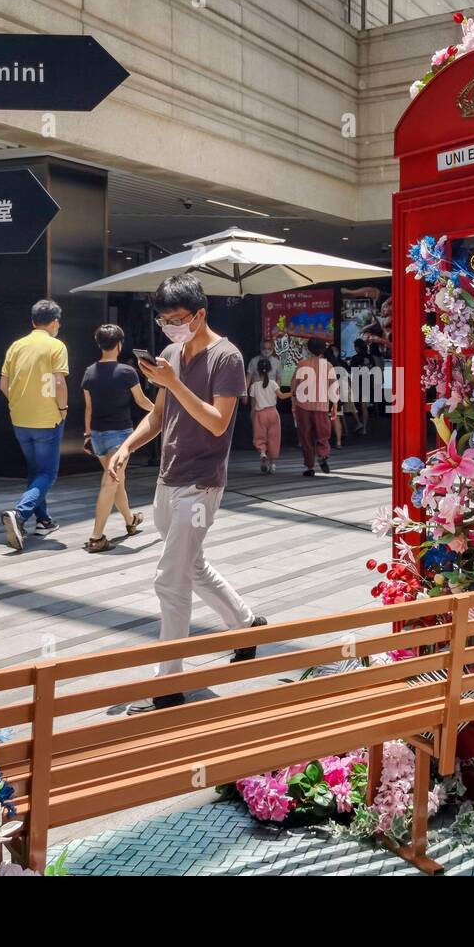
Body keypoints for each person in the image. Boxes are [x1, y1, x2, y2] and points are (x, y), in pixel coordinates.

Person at [107, 274, 265, 704]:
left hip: (201, 483)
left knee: (170, 579)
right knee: (191, 566)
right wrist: (126, 445)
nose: (171, 328)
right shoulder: (170, 354)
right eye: (163, 321)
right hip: (167, 477)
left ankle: (168, 679)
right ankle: (247, 624)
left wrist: (173, 382)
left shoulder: (227, 358)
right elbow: (159, 417)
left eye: (177, 319)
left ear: (200, 313)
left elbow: (218, 422)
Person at [0, 299, 69, 550]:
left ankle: (44, 521)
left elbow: (3, 386)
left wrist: (19, 403)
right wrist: (62, 409)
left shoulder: (16, 346)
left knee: (35, 470)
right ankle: (19, 514)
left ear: (32, 321)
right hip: (47, 418)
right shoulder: (56, 346)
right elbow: (59, 383)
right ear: (54, 322)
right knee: (47, 473)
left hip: (20, 418)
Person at [81, 323, 151, 552]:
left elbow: (88, 408)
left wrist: (87, 435)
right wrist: (160, 411)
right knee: (110, 482)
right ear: (119, 345)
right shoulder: (126, 372)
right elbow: (141, 401)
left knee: (115, 480)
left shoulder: (89, 371)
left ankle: (131, 521)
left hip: (98, 436)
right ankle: (96, 537)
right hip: (120, 436)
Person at [291, 338, 338, 477]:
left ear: (308, 349)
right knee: (323, 434)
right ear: (323, 350)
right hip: (321, 406)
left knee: (306, 436)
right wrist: (334, 405)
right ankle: (322, 454)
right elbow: (333, 387)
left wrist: (293, 404)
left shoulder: (302, 364)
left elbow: (294, 386)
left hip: (303, 405)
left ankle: (309, 466)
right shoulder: (328, 366)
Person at [245, 356, 290, 473]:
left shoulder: (254, 386)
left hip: (260, 414)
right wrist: (292, 393)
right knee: (274, 438)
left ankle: (263, 453)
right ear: (270, 370)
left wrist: (252, 413)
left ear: (257, 371)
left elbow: (253, 404)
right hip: (273, 413)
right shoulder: (274, 383)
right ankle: (273, 464)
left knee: (260, 437)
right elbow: (281, 396)